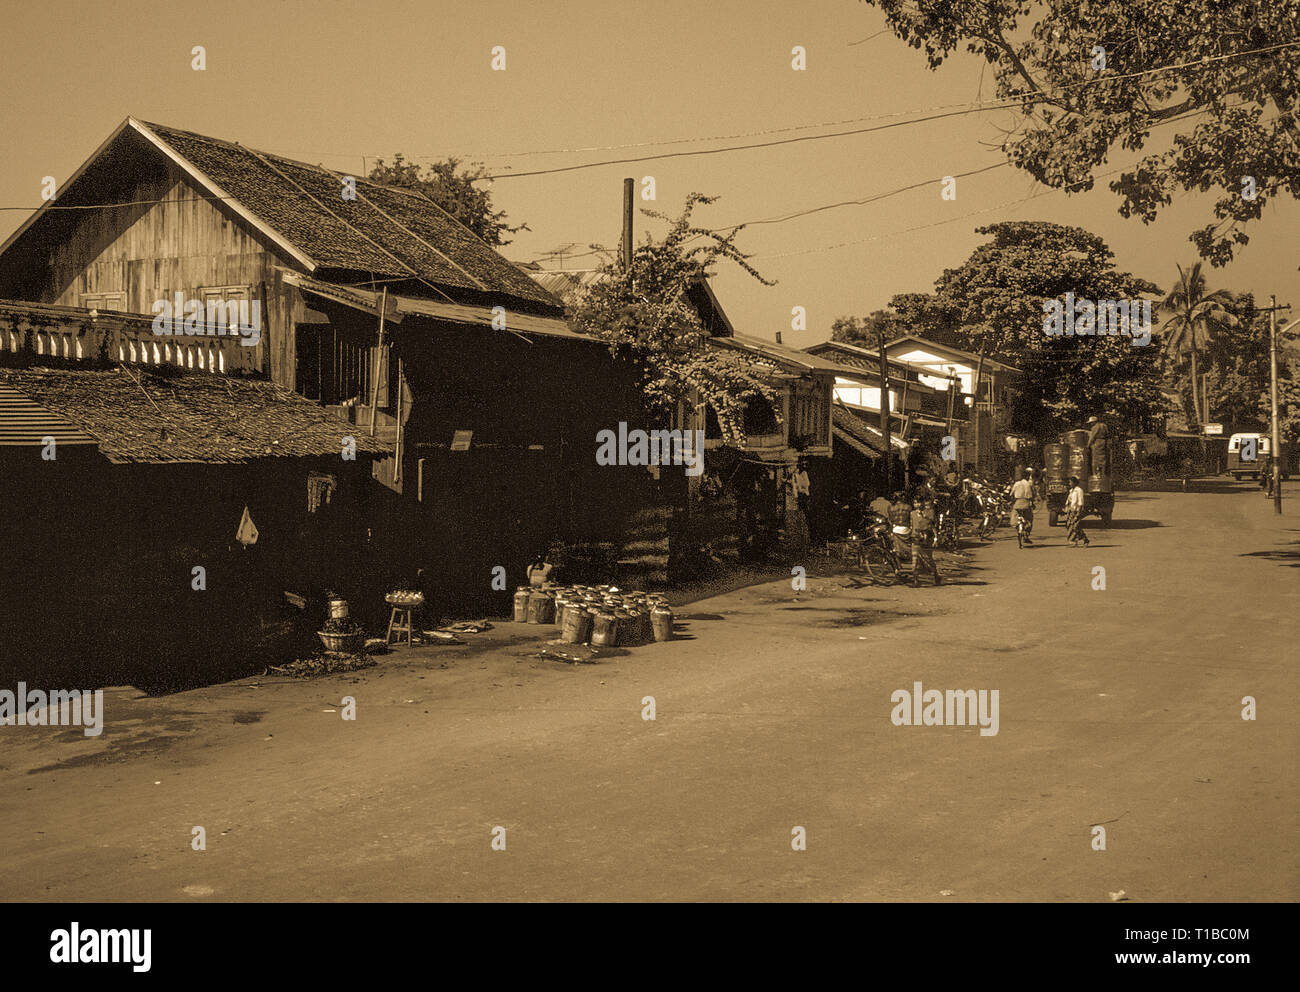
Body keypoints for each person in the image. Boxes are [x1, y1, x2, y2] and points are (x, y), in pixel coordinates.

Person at [909, 494, 942, 586]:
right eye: (915, 503)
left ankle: (936, 575)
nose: (917, 505)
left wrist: (935, 538)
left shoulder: (929, 512)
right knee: (915, 560)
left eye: (918, 502)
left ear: (922, 503)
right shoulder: (912, 513)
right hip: (915, 538)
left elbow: (932, 526)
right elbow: (911, 525)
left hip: (926, 539)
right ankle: (916, 580)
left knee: (928, 560)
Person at [887, 490, 913, 570]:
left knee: (893, 548)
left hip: (895, 529)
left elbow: (890, 520)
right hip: (906, 529)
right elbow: (911, 519)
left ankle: (898, 565)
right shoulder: (908, 507)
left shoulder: (891, 508)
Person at [1010, 467, 1036, 546]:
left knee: (1015, 516)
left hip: (1017, 503)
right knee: (1029, 519)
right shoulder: (1029, 484)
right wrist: (1033, 503)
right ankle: (1026, 535)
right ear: (1028, 477)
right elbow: (1032, 495)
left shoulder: (1017, 483)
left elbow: (1011, 494)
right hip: (1026, 503)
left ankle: (1017, 527)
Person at [1065, 475, 1090, 547]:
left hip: (1076, 511)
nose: (1069, 483)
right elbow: (1069, 500)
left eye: (1070, 482)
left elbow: (1081, 502)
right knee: (1070, 526)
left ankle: (1085, 539)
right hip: (1070, 511)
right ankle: (1073, 542)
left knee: (1075, 526)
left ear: (1074, 482)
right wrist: (1066, 507)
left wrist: (1078, 512)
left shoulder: (1079, 490)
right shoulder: (1071, 491)